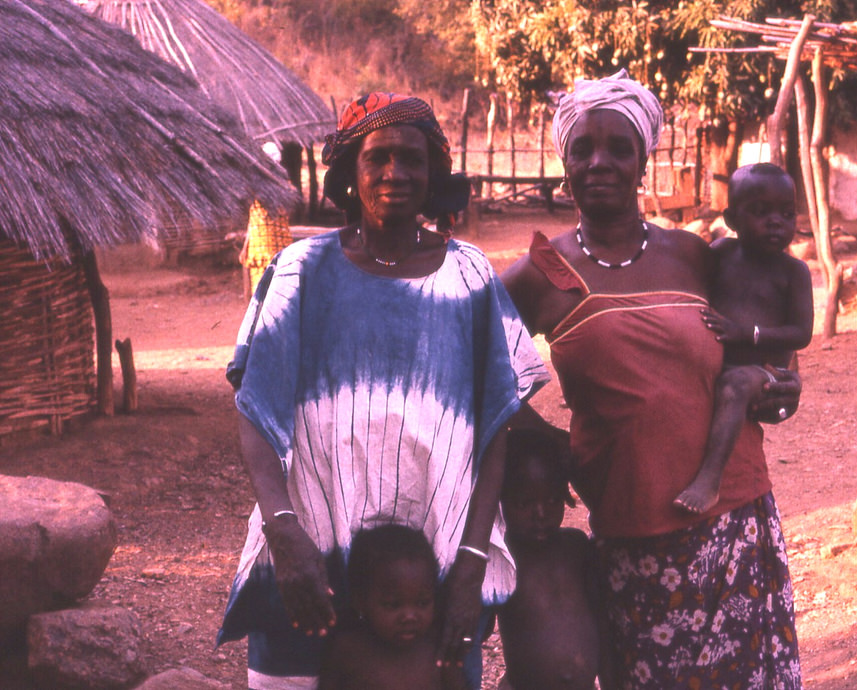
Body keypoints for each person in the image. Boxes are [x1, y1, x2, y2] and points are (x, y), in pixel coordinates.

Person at [217, 92, 549, 690]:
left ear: (433, 173)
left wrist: (472, 562)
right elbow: (254, 411)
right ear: (351, 172)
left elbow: (496, 429)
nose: (396, 172)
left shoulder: (470, 276)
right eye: (378, 158)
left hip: (430, 574)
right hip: (310, 549)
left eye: (412, 158)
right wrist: (284, 533)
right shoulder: (299, 271)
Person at [501, 70, 803, 688]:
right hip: (631, 529)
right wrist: (553, 444)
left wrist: (782, 386)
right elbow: (475, 373)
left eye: (619, 148)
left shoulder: (693, 255)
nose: (600, 162)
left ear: (644, 163)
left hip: (735, 517)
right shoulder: (538, 273)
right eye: (583, 149)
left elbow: (766, 342)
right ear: (564, 164)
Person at [673, 162, 814, 514]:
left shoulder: (793, 272)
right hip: (719, 364)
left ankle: (710, 480)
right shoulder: (720, 254)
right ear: (732, 219)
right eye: (761, 212)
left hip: (763, 372)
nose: (776, 222)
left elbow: (801, 333)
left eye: (786, 213)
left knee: (735, 385)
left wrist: (748, 334)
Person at [495, 428, 603, 690]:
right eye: (524, 504)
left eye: (552, 500)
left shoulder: (576, 548)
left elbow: (601, 616)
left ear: (566, 495)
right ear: (501, 500)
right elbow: (480, 627)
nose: (540, 513)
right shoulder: (504, 558)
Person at [319, 524, 468, 690]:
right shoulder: (347, 650)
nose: (409, 616)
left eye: (422, 603)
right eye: (393, 605)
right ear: (360, 601)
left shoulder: (438, 649)